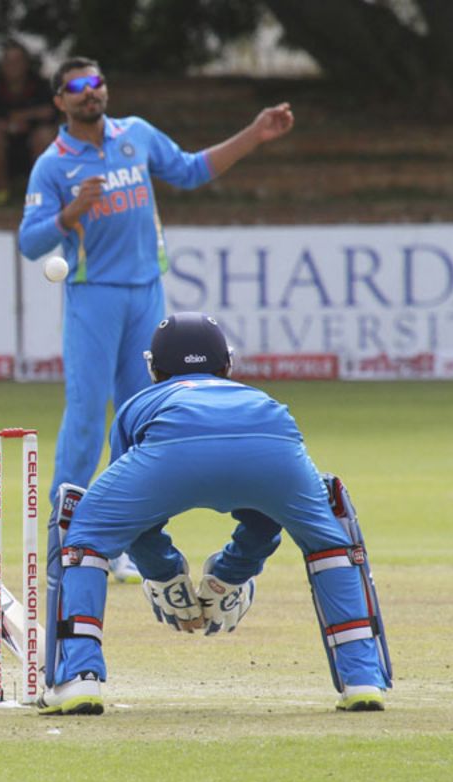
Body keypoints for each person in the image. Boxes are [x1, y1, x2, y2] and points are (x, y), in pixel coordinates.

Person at [18, 56, 295, 580]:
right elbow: (31, 242)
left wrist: (255, 135)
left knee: (141, 418)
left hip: (147, 291)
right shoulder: (53, 164)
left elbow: (190, 170)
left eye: (96, 81)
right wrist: (69, 214)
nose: (89, 92)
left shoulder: (135, 135)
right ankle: (63, 543)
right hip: (92, 295)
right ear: (59, 101)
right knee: (84, 418)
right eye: (76, 86)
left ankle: (126, 543)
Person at [38, 312, 391, 715]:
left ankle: (77, 679)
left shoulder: (141, 402)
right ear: (228, 365)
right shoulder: (263, 400)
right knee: (331, 543)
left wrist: (164, 574)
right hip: (273, 446)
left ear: (153, 368)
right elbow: (268, 513)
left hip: (172, 450)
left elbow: (128, 521)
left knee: (84, 532)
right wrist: (231, 574)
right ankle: (363, 680)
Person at [0, 40, 57, 206]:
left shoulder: (40, 84)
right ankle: (2, 190)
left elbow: (51, 112)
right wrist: (6, 125)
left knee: (45, 136)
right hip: (4, 145)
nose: (13, 65)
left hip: (34, 144)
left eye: (17, 60)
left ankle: (40, 192)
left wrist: (23, 116)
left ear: (26, 63)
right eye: (8, 60)